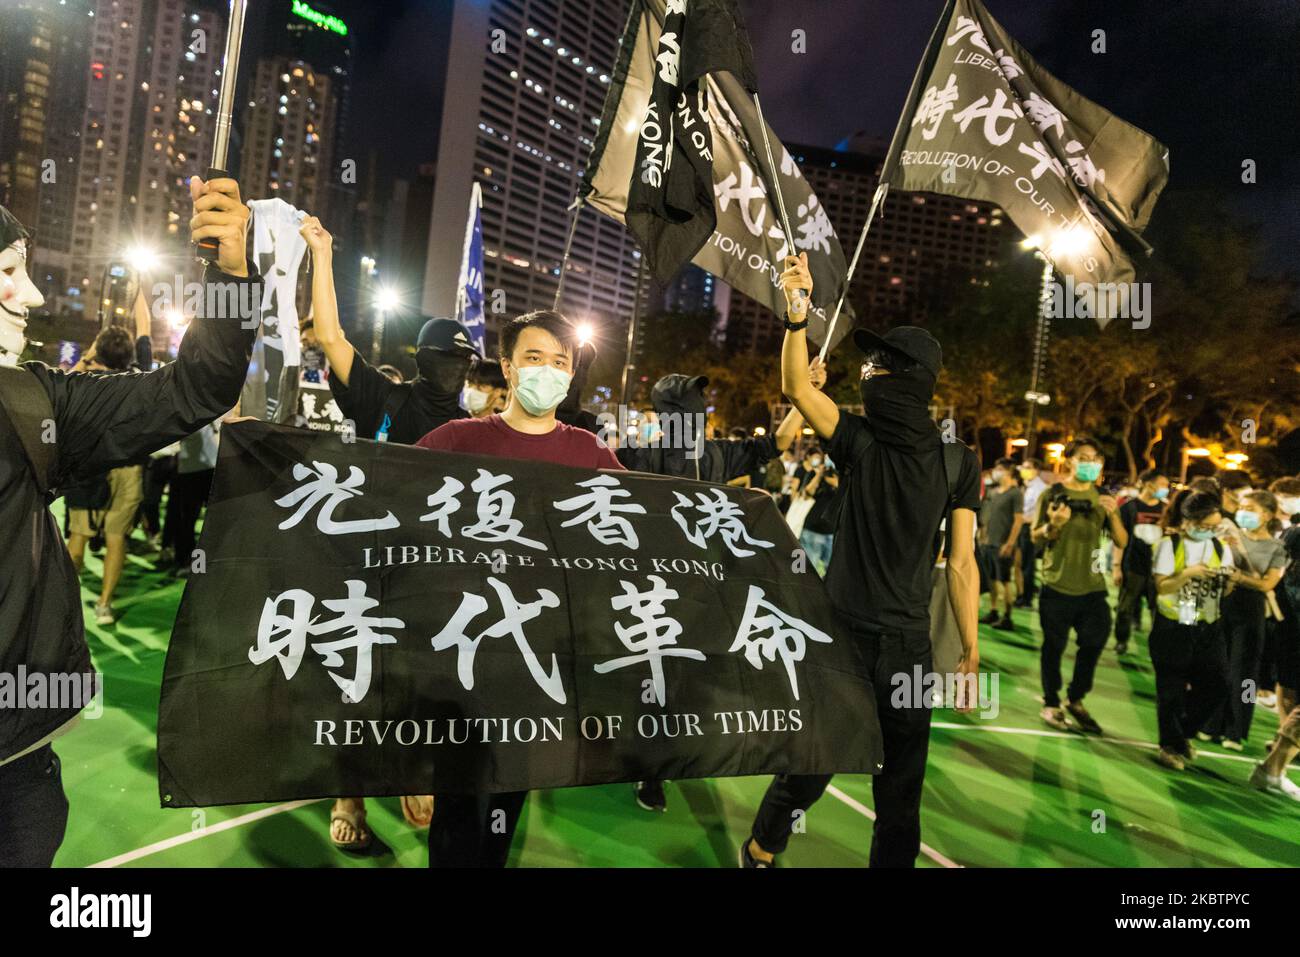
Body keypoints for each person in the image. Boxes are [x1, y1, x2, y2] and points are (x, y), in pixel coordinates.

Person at [0, 179, 258, 866]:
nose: (30, 296)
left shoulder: (34, 402)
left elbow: (195, 387)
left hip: (16, 766)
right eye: (7, 272)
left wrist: (230, 274)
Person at [740, 253, 981, 869]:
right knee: (868, 783)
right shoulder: (944, 457)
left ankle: (760, 850)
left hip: (858, 638)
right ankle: (763, 847)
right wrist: (968, 651)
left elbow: (960, 565)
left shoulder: (870, 441)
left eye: (884, 364)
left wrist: (800, 318)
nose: (871, 371)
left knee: (843, 775)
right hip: (883, 643)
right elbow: (961, 566)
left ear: (913, 378)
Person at [415, 309, 622, 867]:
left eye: (561, 362)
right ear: (507, 368)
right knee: (458, 826)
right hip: (461, 671)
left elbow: (633, 544)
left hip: (538, 675)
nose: (549, 371)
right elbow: (398, 551)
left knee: (502, 822)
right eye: (535, 359)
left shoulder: (592, 456)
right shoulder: (451, 442)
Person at [617, 367, 811, 814]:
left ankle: (664, 760)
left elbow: (774, 445)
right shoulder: (642, 457)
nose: (697, 413)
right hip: (654, 592)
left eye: (699, 407)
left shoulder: (718, 454)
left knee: (689, 681)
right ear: (667, 415)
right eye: (687, 406)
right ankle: (648, 770)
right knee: (656, 680)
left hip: (709, 591)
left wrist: (804, 395)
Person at [299, 216, 476, 444]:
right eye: (446, 355)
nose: (456, 364)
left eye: (464, 357)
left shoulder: (471, 432)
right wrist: (323, 254)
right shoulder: (381, 397)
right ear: (422, 357)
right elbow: (329, 337)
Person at [1031, 437, 1127, 734]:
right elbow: (1035, 536)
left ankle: (1076, 697)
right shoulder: (1052, 494)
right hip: (1057, 584)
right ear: (1069, 460)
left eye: (1096, 458)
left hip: (1094, 587)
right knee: (1054, 647)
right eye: (1084, 457)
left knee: (1095, 641)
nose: (1091, 463)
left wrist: (1112, 513)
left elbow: (1122, 541)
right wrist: (1054, 524)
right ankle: (1051, 702)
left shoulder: (1104, 498)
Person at [63, 326, 147, 624]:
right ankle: (104, 604)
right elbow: (146, 328)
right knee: (116, 538)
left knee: (78, 537)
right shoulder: (140, 380)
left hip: (89, 468)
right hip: (127, 469)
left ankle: (63, 606)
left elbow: (58, 388)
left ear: (97, 351)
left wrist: (86, 358)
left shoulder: (84, 382)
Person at [1149, 489, 1236, 770]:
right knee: (1170, 688)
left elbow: (1228, 588)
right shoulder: (1170, 544)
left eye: (1214, 527)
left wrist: (1228, 579)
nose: (1209, 531)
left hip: (1208, 625)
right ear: (1188, 520)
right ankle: (1170, 745)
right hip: (1173, 625)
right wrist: (1188, 573)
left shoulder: (1221, 547)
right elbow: (1162, 586)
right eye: (1204, 526)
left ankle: (1181, 732)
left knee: (1219, 683)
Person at [1201, 490, 1286, 750]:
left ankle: (1237, 730)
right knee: (1217, 666)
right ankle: (1209, 723)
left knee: (1246, 675)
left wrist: (1240, 577)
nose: (1244, 513)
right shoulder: (1228, 535)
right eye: (1243, 507)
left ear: (1267, 515)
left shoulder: (1276, 547)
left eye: (1251, 509)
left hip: (1251, 613)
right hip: (1223, 605)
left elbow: (1268, 583)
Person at [1111, 468, 1170, 654]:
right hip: (1133, 566)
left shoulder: (1167, 509)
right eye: (1162, 485)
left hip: (1159, 569)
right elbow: (1119, 540)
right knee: (1124, 608)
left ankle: (1158, 646)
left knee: (1159, 611)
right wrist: (1116, 567)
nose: (1165, 489)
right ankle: (1122, 640)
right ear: (1148, 484)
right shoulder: (1129, 508)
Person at [977, 457, 1023, 631]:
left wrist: (1009, 544)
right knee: (991, 580)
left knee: (1004, 581)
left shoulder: (1015, 493)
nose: (996, 472)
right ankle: (994, 611)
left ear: (1008, 471)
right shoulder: (994, 492)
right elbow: (987, 517)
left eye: (999, 469)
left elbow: (1018, 521)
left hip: (1003, 545)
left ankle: (1008, 616)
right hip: (989, 543)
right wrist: (983, 536)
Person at [1014, 458, 1048, 608]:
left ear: (1036, 470)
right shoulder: (1026, 485)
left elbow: (1041, 513)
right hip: (1022, 527)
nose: (1024, 470)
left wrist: (1024, 519)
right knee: (1020, 564)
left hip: (1030, 528)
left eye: (1028, 467)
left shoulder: (1040, 488)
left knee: (1028, 564)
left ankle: (1026, 598)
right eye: (1024, 467)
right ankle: (1022, 594)